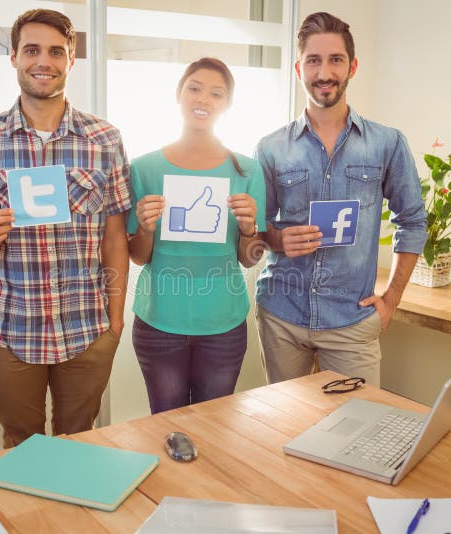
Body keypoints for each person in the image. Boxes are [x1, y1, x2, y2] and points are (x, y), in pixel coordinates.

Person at [0, 9, 130, 447]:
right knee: (20, 445)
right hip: (11, 329)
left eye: (56, 52)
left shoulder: (104, 139)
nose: (43, 61)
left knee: (79, 443)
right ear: (13, 57)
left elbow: (114, 237)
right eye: (32, 50)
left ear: (71, 61)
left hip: (87, 330)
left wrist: (115, 321)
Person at [254, 12, 428, 387]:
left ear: (353, 66)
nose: (324, 73)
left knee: (358, 433)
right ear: (299, 68)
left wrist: (392, 298)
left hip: (352, 320)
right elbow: (254, 231)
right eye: (314, 61)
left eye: (335, 59)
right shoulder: (270, 148)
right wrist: (277, 239)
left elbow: (412, 220)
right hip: (282, 314)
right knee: (283, 434)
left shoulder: (388, 143)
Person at [127, 57, 267, 414]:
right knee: (167, 426)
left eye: (216, 93)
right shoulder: (144, 168)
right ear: (178, 94)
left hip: (223, 323)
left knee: (215, 428)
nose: (203, 99)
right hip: (160, 321)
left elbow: (250, 257)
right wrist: (145, 227)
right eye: (194, 88)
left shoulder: (246, 169)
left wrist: (250, 230)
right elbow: (139, 256)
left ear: (227, 105)